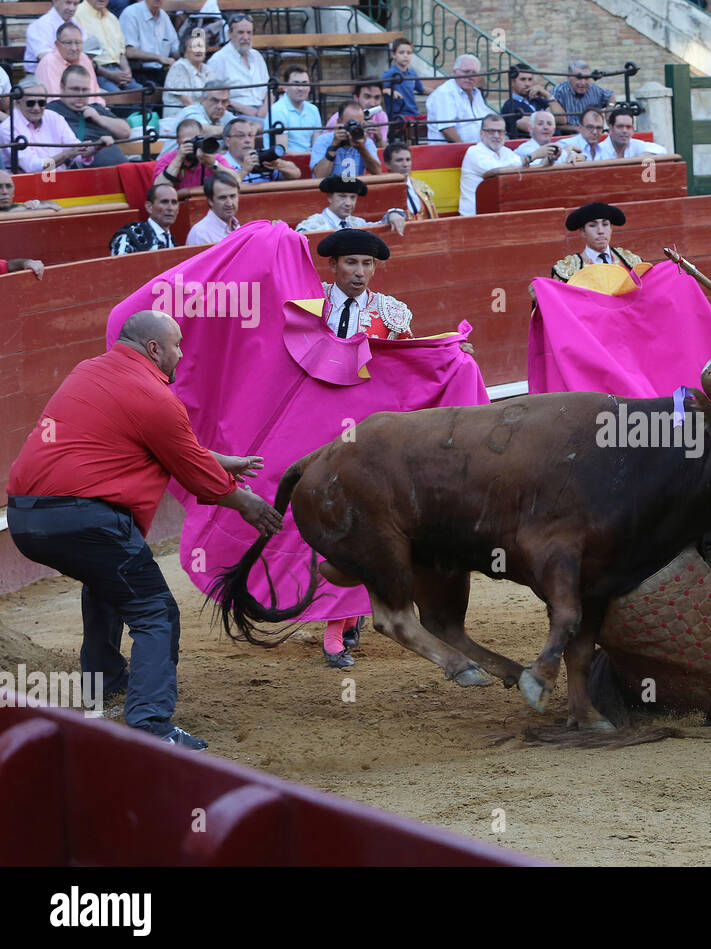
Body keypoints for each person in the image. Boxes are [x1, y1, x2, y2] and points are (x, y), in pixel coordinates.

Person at [6, 309, 282, 750]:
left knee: (107, 585)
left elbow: (160, 441)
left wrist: (218, 460)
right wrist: (246, 502)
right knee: (156, 612)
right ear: (155, 349)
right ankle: (151, 728)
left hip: (25, 516)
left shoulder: (90, 370)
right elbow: (192, 472)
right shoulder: (153, 395)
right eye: (176, 345)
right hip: (84, 517)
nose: (181, 354)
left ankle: (105, 692)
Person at [307, 229, 416, 667]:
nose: (360, 272)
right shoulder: (310, 305)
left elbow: (411, 365)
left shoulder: (391, 312)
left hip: (368, 439)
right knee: (328, 521)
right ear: (333, 266)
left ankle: (343, 620)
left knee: (360, 524)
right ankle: (342, 619)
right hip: (316, 427)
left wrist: (452, 353)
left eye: (368, 264)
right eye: (351, 263)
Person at [0, 80, 114, 173]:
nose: (36, 108)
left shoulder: (53, 117)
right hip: (29, 186)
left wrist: (96, 147)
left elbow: (76, 149)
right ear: (18, 103)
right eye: (30, 103)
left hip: (60, 181)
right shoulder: (8, 127)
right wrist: (66, 154)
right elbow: (32, 167)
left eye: (41, 103)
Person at [46, 64, 130, 167]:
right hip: (82, 172)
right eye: (75, 89)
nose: (81, 94)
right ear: (62, 88)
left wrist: (98, 119)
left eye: (85, 90)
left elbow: (125, 132)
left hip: (121, 170)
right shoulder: (51, 111)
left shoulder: (96, 108)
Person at [551, 201, 642, 281]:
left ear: (611, 228)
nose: (600, 231)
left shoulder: (632, 262)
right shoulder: (569, 270)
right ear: (583, 232)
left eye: (605, 224)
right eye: (592, 225)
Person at [207, 13, 268, 127]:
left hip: (264, 111)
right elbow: (212, 96)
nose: (246, 37)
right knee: (271, 126)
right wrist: (244, 109)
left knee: (290, 122)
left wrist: (265, 108)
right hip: (236, 115)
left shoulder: (257, 56)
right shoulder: (218, 60)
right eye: (241, 32)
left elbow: (269, 89)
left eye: (249, 32)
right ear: (230, 33)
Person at [458, 113, 523, 216]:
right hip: (473, 218)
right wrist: (530, 158)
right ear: (481, 134)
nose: (496, 136)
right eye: (491, 131)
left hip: (499, 213)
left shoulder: (506, 151)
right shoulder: (474, 152)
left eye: (500, 132)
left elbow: (521, 168)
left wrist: (546, 160)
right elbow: (496, 171)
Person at [295, 175, 407, 235]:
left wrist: (394, 213)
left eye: (353, 197)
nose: (348, 203)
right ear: (330, 197)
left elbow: (380, 225)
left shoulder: (357, 223)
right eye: (342, 196)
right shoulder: (311, 226)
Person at [76, 0, 142, 97]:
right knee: (118, 98)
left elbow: (121, 52)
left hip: (118, 70)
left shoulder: (111, 17)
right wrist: (109, 74)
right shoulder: (77, 16)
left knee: (143, 94)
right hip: (95, 72)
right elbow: (82, 58)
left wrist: (126, 72)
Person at [425, 53, 492, 143]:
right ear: (454, 73)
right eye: (466, 72)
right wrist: (466, 149)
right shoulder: (445, 93)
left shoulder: (476, 93)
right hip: (450, 150)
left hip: (479, 149)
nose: (470, 77)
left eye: (474, 73)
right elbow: (447, 129)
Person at [36, 22, 105, 108]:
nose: (74, 48)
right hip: (63, 113)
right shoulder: (49, 63)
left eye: (78, 43)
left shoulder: (84, 58)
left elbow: (95, 93)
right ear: (57, 45)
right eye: (68, 43)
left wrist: (99, 109)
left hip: (91, 110)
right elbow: (55, 101)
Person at [153, 118, 236, 189]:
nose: (193, 145)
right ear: (178, 141)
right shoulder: (168, 158)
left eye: (196, 140)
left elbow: (236, 181)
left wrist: (213, 164)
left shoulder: (213, 157)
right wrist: (179, 158)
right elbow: (158, 187)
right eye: (188, 141)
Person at [310, 102, 382, 178]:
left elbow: (377, 171)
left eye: (358, 124)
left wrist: (362, 148)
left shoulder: (366, 142)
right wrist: (334, 146)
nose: (354, 128)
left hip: (355, 188)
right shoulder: (323, 140)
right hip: (330, 188)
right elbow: (319, 175)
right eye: (350, 124)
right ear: (339, 122)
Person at [218, 117, 300, 183]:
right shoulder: (220, 162)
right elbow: (224, 188)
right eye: (241, 136)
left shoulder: (261, 156)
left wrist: (279, 165)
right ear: (227, 141)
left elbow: (296, 174)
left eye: (250, 135)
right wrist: (244, 170)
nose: (248, 140)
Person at [120, 0, 178, 88]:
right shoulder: (131, 13)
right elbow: (128, 51)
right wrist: (159, 58)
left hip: (163, 71)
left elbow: (175, 49)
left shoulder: (164, 15)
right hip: (138, 72)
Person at [109, 182, 178, 254]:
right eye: (164, 202)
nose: (170, 208)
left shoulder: (171, 242)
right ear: (149, 207)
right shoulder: (129, 237)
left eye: (174, 202)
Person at [550, 60, 614, 133]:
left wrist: (610, 108)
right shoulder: (558, 92)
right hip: (567, 137)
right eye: (579, 78)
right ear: (568, 77)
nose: (583, 83)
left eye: (586, 78)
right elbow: (550, 122)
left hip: (593, 134)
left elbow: (610, 96)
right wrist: (576, 129)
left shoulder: (594, 89)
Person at [268, 65, 321, 153]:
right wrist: (310, 155)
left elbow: (317, 145)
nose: (301, 88)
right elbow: (282, 151)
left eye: (304, 83)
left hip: (309, 160)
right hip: (285, 163)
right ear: (285, 87)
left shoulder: (313, 110)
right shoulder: (277, 110)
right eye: (296, 83)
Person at [324, 81, 390, 149]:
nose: (372, 103)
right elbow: (327, 146)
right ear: (356, 98)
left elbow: (382, 150)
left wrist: (378, 139)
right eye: (367, 97)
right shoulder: (340, 117)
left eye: (377, 97)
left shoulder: (381, 116)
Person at [162, 30, 211, 118]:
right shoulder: (179, 67)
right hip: (183, 117)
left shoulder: (206, 69)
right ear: (184, 51)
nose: (198, 50)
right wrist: (207, 118)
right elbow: (187, 103)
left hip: (203, 114)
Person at [185, 169, 240, 245]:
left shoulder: (238, 227)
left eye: (233, 196)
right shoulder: (200, 233)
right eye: (223, 198)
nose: (229, 203)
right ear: (210, 201)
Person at [384, 142, 437, 219]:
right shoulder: (384, 191)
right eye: (399, 160)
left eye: (408, 160)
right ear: (388, 164)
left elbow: (434, 217)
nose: (405, 164)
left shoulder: (421, 186)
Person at [500, 63, 553, 138]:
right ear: (512, 82)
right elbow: (534, 128)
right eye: (523, 79)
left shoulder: (539, 100)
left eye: (530, 79)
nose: (527, 84)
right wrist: (551, 120)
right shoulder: (509, 105)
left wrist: (547, 95)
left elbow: (562, 119)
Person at [596, 105, 668, 159]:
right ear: (611, 128)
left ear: (633, 130)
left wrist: (644, 156)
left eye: (628, 127)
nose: (624, 131)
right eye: (620, 126)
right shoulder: (599, 151)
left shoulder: (636, 145)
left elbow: (662, 150)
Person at [23, 0, 80, 69]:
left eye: (75, 4)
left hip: (73, 72)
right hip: (41, 75)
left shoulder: (75, 22)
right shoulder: (40, 25)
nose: (72, 8)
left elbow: (84, 47)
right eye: (68, 3)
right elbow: (46, 57)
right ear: (55, 1)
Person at [380, 35, 425, 119]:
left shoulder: (412, 73)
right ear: (394, 55)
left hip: (414, 113)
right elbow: (377, 87)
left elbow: (422, 90)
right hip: (398, 115)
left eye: (409, 53)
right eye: (401, 52)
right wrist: (387, 90)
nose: (405, 55)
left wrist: (437, 90)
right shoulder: (390, 73)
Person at [514, 108, 579, 165]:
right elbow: (542, 167)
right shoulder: (524, 149)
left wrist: (573, 154)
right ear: (530, 128)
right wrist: (567, 151)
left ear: (554, 129)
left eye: (549, 124)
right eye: (540, 124)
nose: (545, 127)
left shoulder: (559, 145)